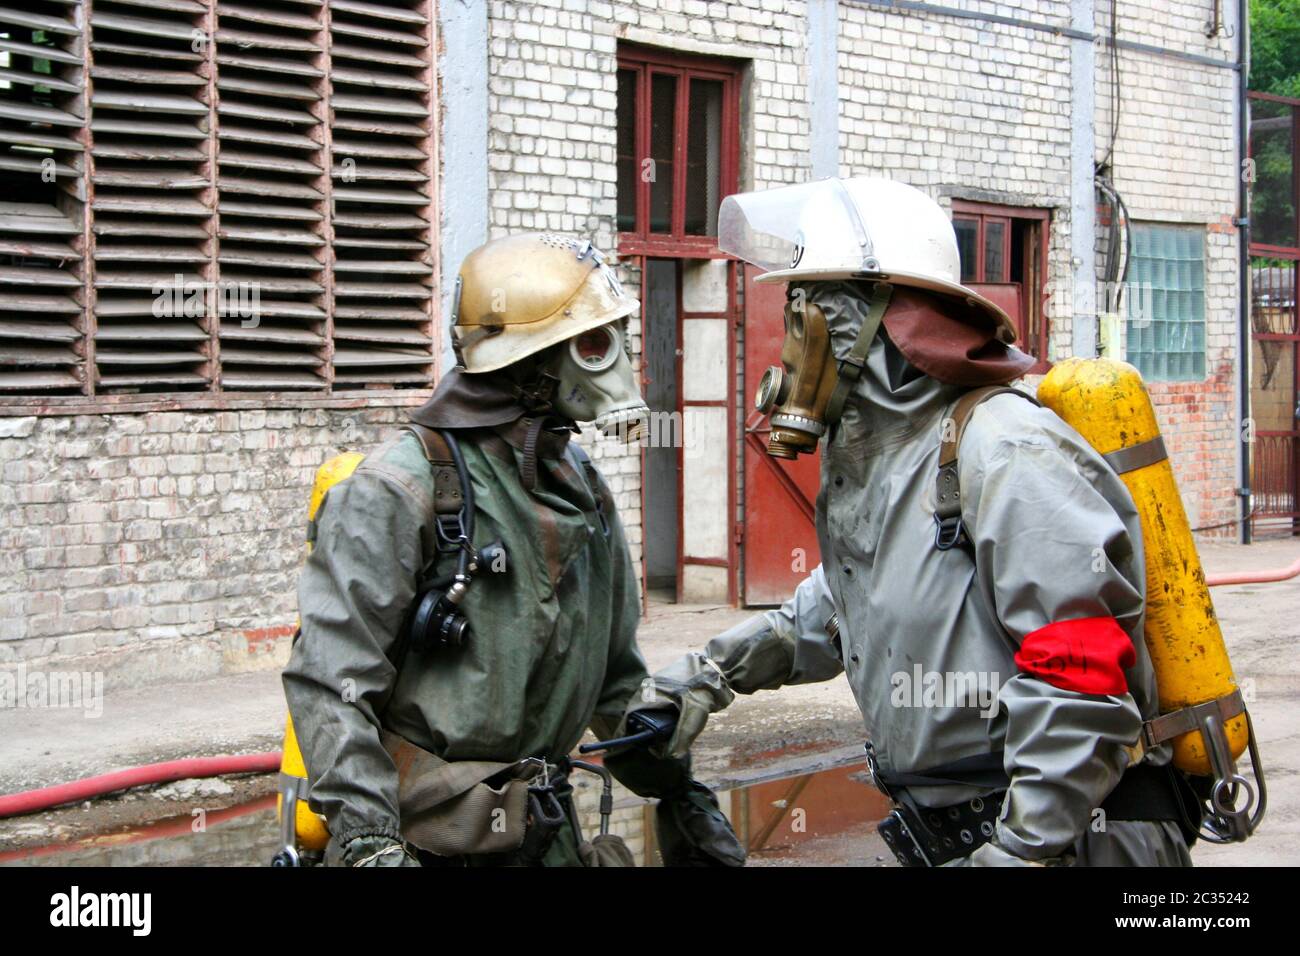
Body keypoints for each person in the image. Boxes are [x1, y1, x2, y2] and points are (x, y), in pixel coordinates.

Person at [627, 178, 1197, 867]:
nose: (791, 348)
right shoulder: (890, 461)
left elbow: (1078, 673)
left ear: (872, 321)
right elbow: (830, 614)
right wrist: (698, 678)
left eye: (807, 315)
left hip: (1077, 839)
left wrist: (1018, 851)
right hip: (963, 832)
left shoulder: (1005, 448)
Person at [283, 232, 743, 867]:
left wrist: (677, 789)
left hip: (543, 833)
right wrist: (370, 844)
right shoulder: (398, 490)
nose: (617, 362)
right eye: (592, 343)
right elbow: (331, 683)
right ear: (531, 360)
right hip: (428, 839)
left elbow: (614, 679)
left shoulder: (580, 484)